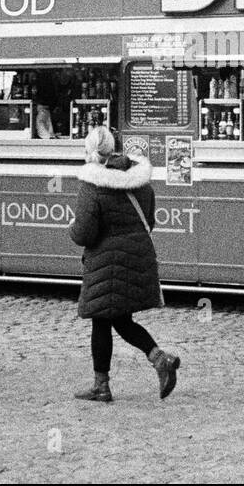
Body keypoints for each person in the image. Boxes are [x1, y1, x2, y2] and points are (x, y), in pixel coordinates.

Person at [70, 125, 180, 402]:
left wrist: (71, 227)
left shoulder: (92, 184)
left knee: (102, 319)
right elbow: (150, 223)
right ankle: (158, 358)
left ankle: (103, 385)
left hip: (105, 262)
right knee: (117, 318)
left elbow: (84, 233)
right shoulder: (141, 181)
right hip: (136, 257)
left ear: (90, 151)